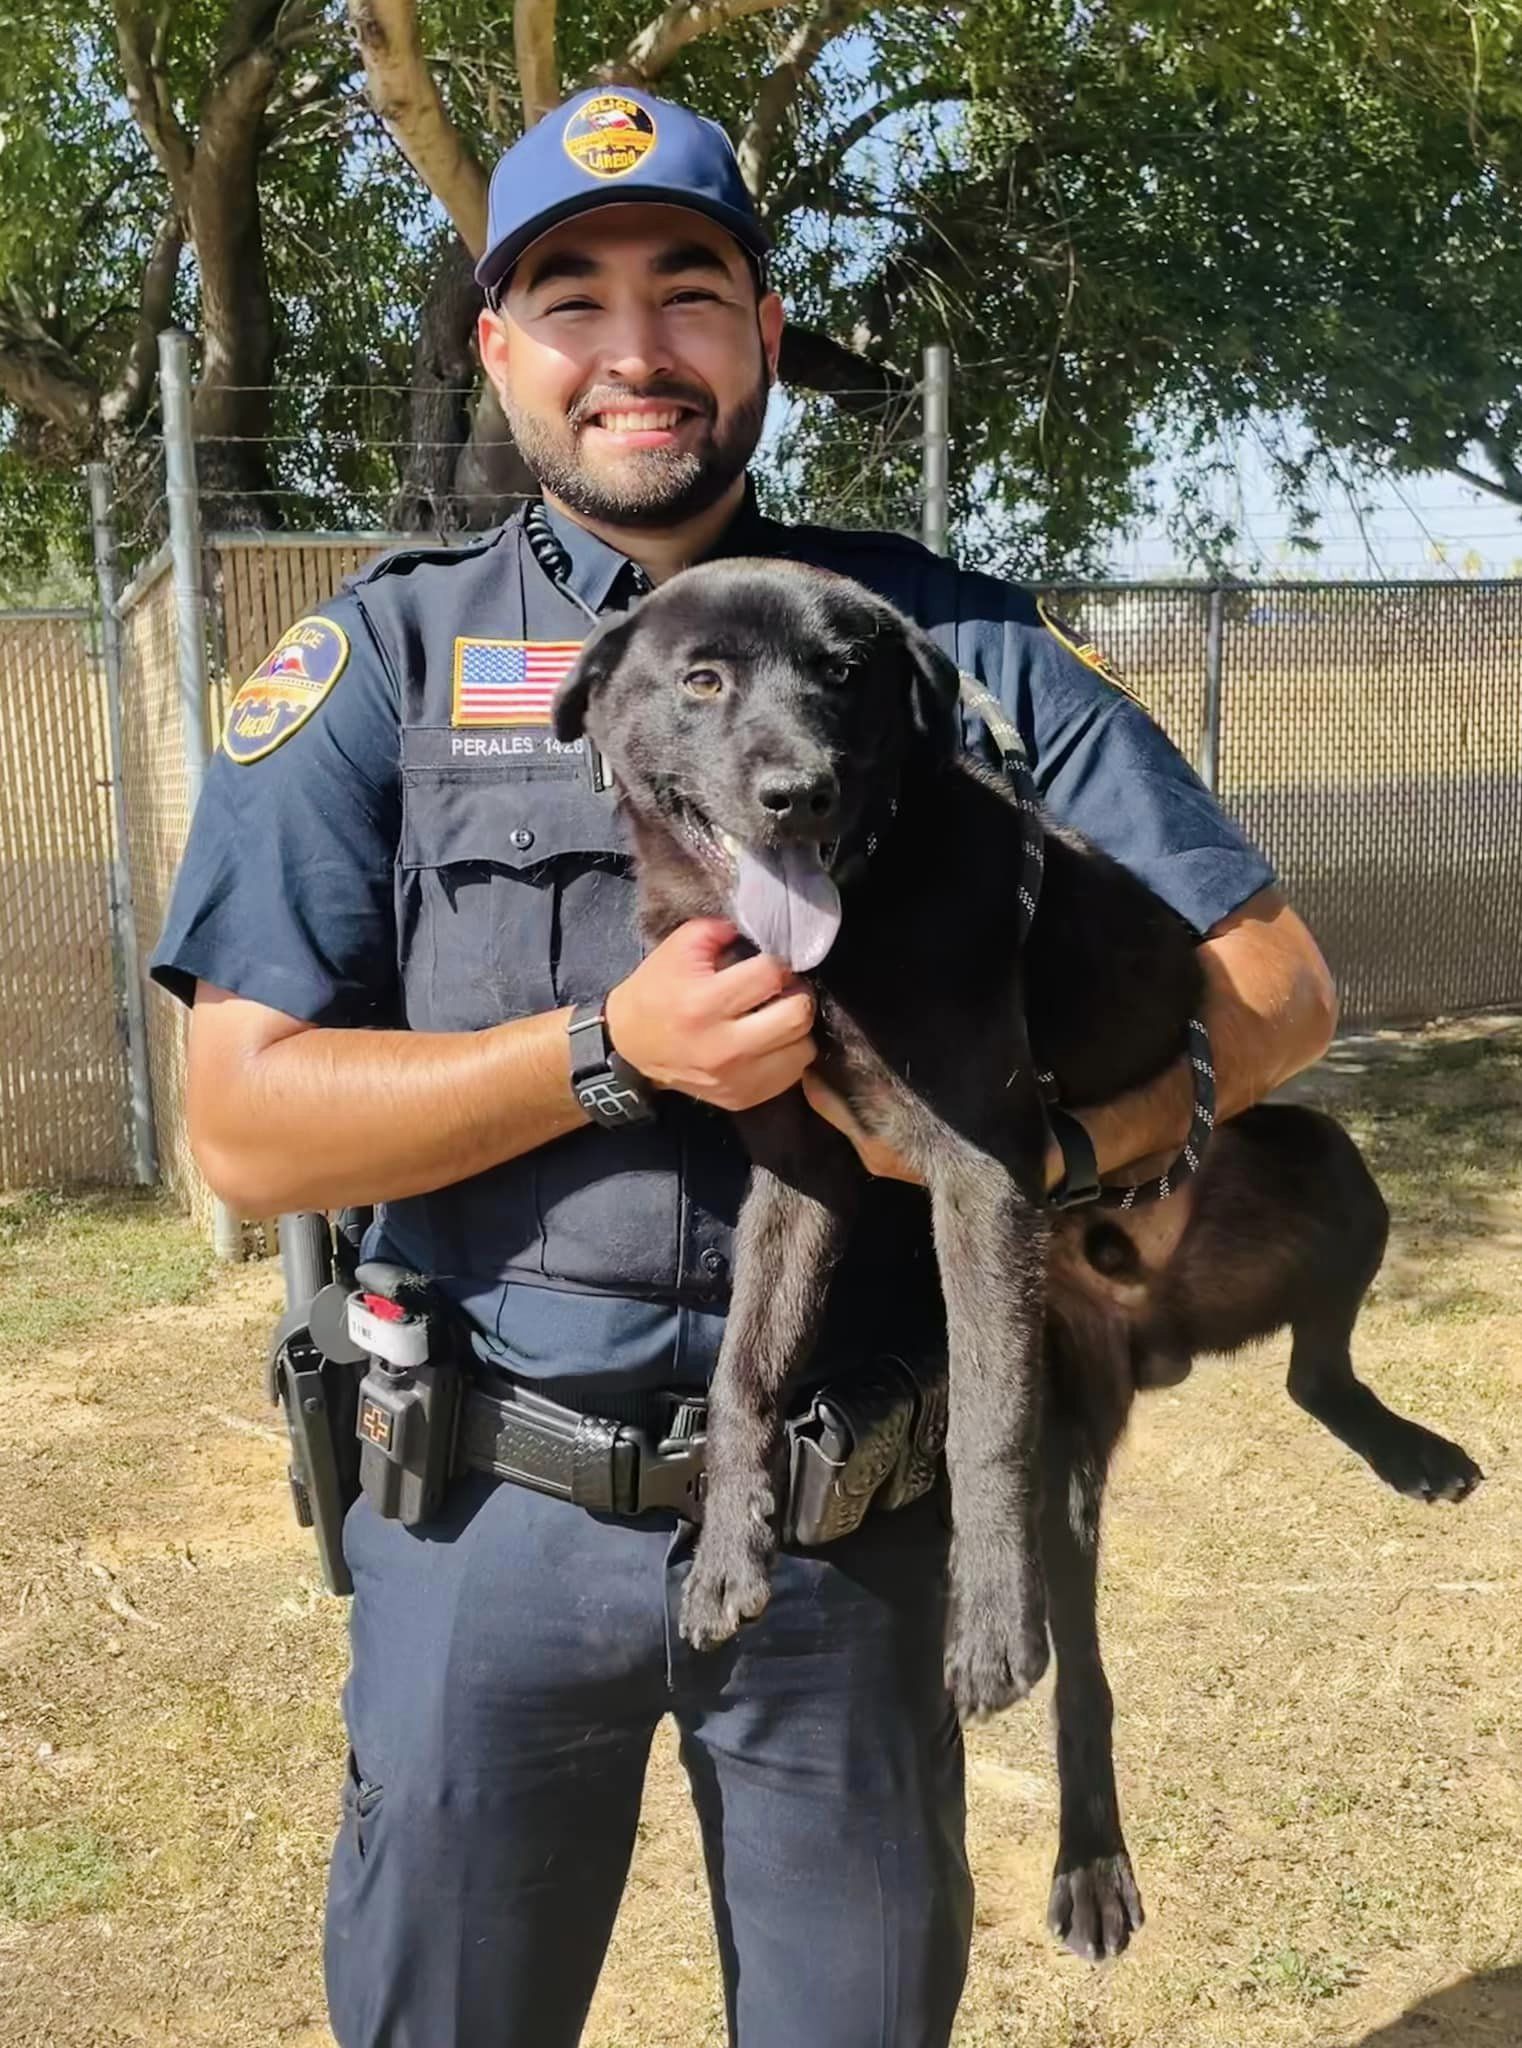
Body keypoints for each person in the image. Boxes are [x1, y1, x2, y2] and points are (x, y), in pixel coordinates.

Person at [151, 85, 1336, 2048]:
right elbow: (243, 1119)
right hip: (488, 1527)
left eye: (687, 293)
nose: (635, 350)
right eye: (572, 299)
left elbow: (1270, 984)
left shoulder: (939, 645)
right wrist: (609, 1053)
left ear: (763, 336)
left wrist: (1034, 1147)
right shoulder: (386, 662)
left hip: (847, 1541)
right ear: (498, 351)